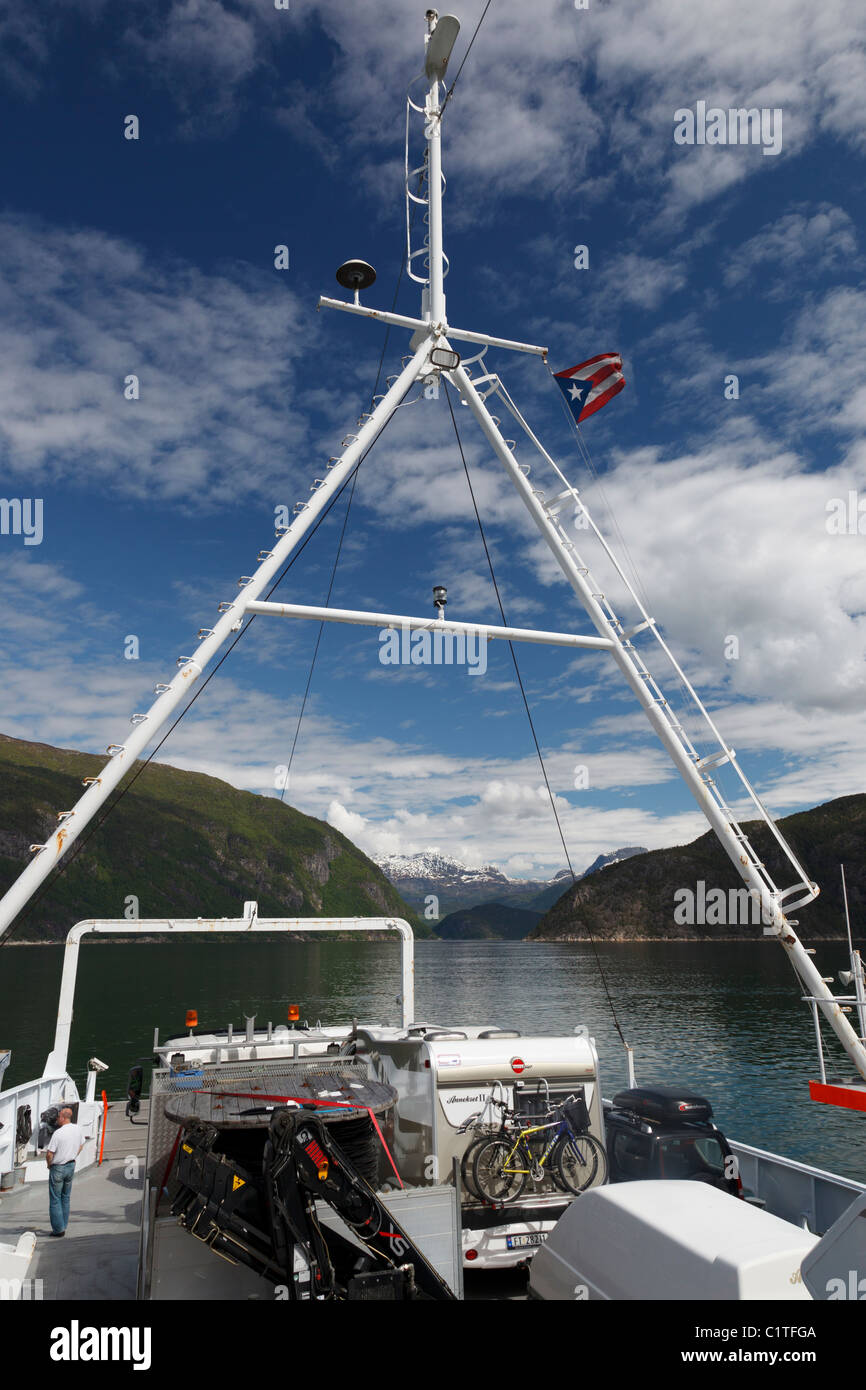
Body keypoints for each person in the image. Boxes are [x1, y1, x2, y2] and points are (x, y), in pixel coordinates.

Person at [45, 1106, 84, 1237]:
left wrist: (49, 1165)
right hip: (71, 1166)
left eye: (58, 1116)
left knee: (55, 1199)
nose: (57, 1119)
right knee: (65, 1197)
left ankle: (58, 1230)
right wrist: (73, 1155)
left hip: (58, 1168)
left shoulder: (58, 1133)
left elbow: (49, 1154)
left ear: (63, 1117)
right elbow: (81, 1145)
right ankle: (64, 1224)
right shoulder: (77, 1129)